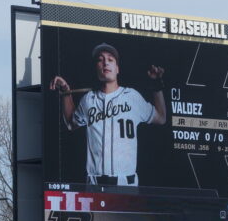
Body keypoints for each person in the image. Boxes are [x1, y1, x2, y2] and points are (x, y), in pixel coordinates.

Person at [50, 43, 166, 186]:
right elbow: (70, 123)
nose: (105, 62)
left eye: (110, 59)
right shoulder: (89, 99)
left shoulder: (132, 96)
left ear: (117, 69)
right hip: (94, 183)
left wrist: (156, 84)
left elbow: (161, 117)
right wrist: (65, 91)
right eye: (100, 60)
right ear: (97, 68)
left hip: (126, 183)